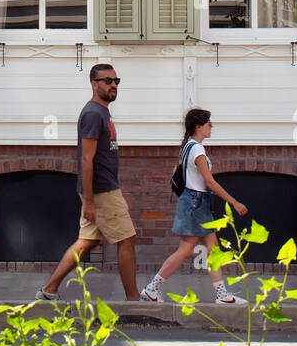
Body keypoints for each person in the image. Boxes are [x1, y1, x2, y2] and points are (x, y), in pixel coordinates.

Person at [36, 63, 140, 302]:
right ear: (94, 84)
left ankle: (49, 289)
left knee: (88, 241)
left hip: (101, 188)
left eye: (116, 81)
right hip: (103, 189)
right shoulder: (94, 113)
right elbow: (86, 158)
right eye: (107, 81)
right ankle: (133, 300)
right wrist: (90, 201)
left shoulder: (102, 111)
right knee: (126, 239)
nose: (113, 85)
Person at [141, 107, 248, 305]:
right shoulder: (197, 149)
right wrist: (234, 202)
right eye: (208, 123)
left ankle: (222, 295)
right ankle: (151, 289)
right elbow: (210, 182)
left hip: (194, 202)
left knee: (212, 249)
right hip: (195, 203)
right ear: (199, 126)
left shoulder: (188, 146)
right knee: (186, 249)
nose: (211, 127)